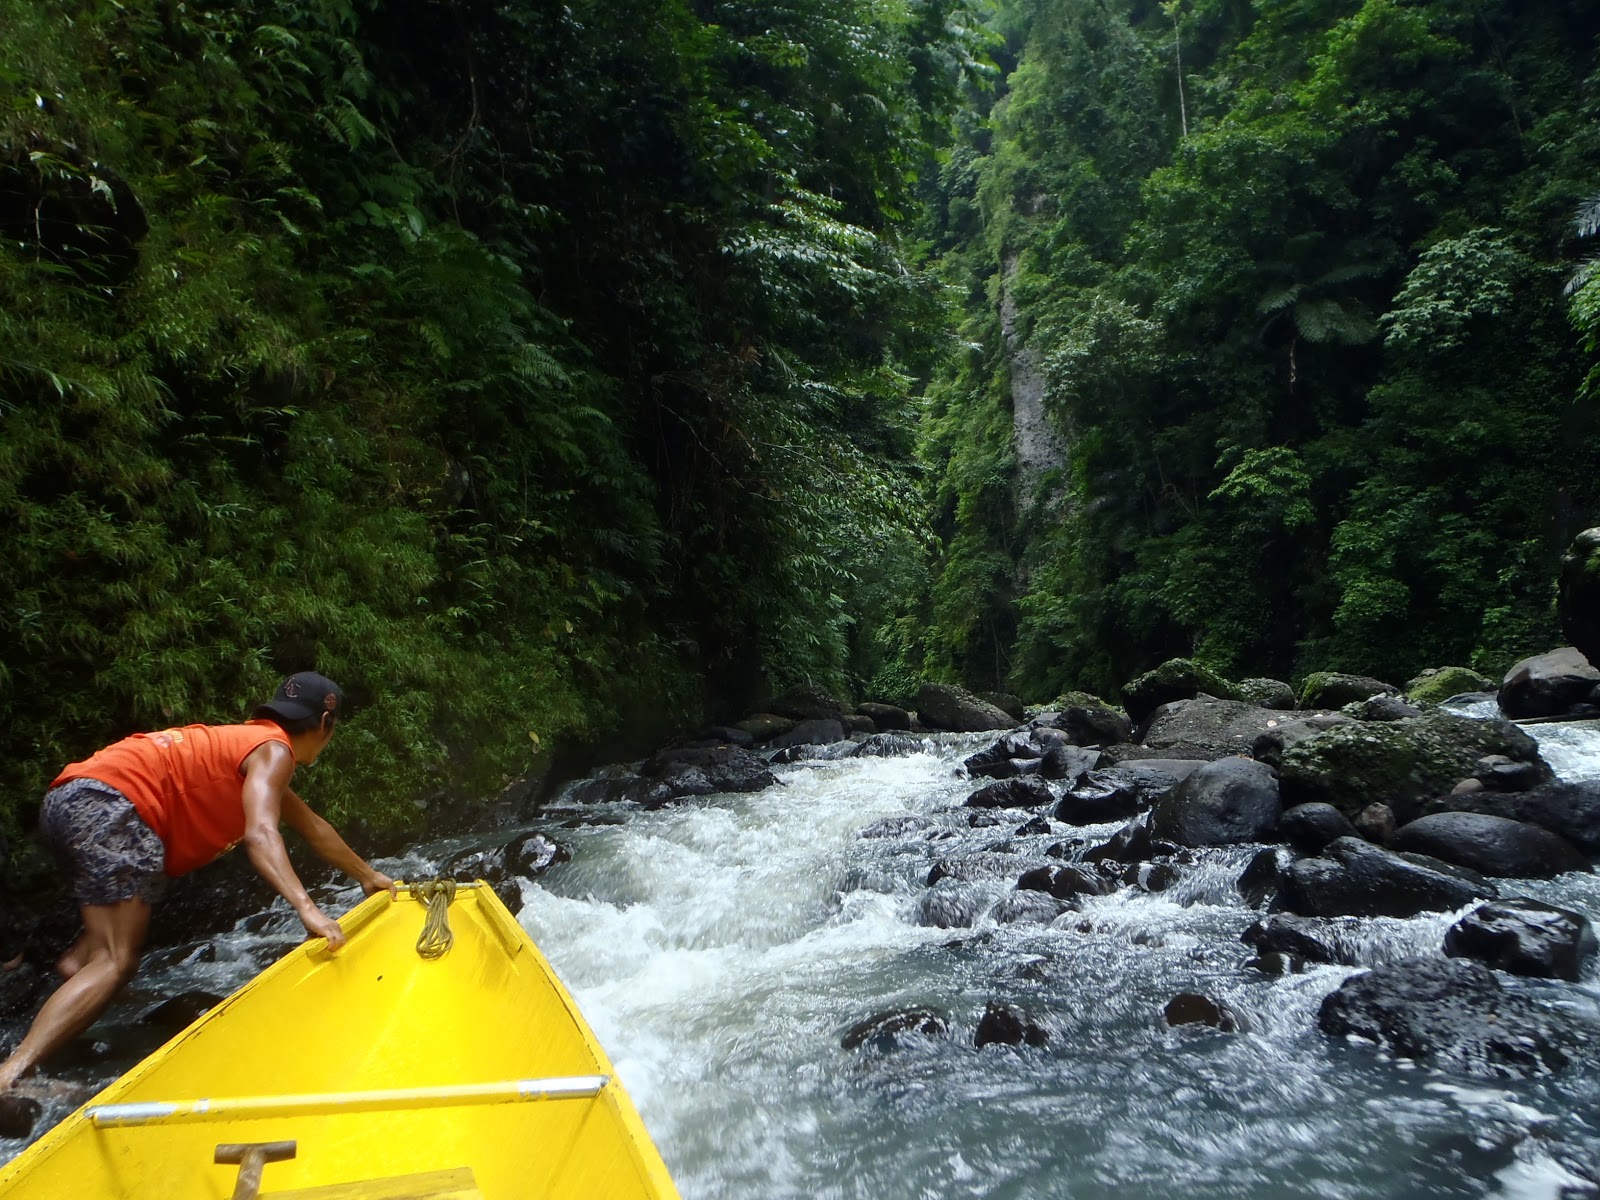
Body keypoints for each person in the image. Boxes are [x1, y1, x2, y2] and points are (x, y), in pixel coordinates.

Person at [0, 671, 395, 1092]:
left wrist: (369, 877)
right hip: (112, 807)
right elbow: (261, 833)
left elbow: (314, 829)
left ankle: (78, 981)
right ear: (325, 725)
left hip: (71, 799)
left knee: (94, 960)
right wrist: (308, 908)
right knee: (116, 962)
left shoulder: (247, 748)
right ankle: (11, 1074)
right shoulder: (273, 751)